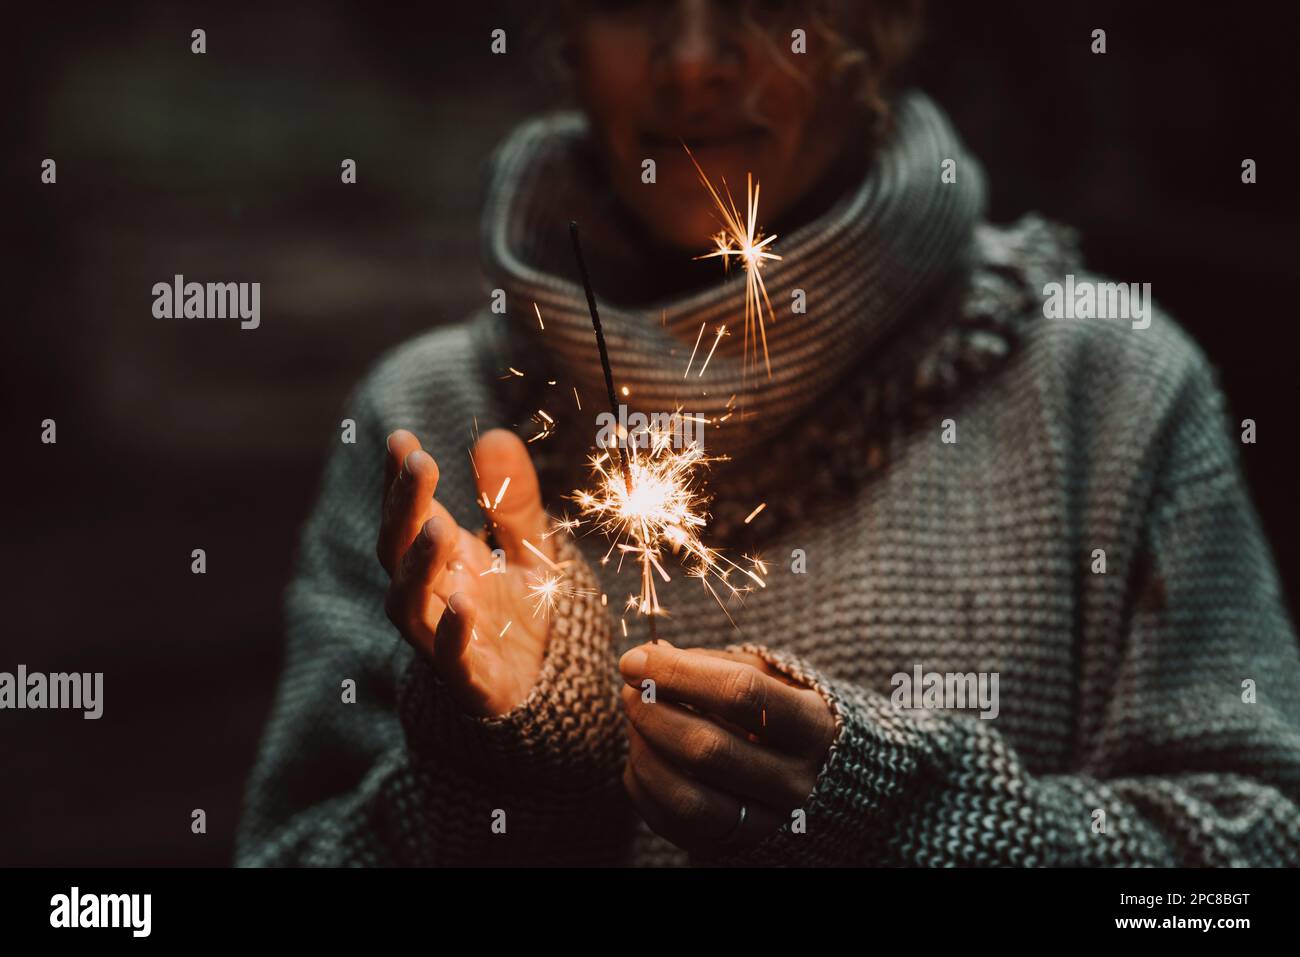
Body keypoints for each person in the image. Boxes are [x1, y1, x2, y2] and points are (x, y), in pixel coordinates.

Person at [236, 0, 1300, 866]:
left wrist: (914, 823)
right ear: (563, 36)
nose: (692, 62)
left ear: (881, 28)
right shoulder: (428, 419)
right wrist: (498, 773)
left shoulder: (1103, 385)